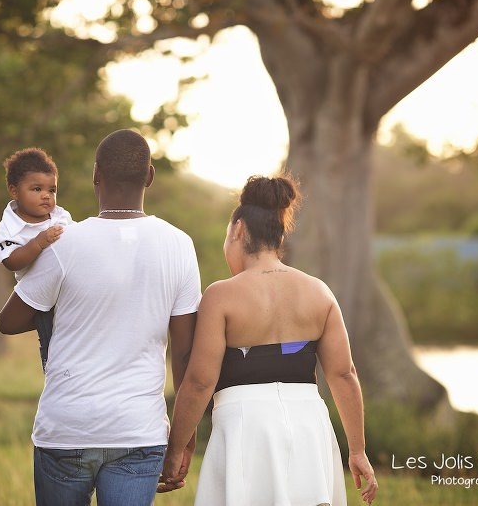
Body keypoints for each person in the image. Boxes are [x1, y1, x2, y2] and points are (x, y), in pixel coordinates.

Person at [0, 129, 201, 506]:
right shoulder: (179, 245)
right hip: (138, 432)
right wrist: (184, 439)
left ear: (95, 175)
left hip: (67, 429)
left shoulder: (63, 241)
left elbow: (8, 322)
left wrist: (68, 304)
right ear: (150, 176)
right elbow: (185, 355)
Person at [161, 175, 379, 505]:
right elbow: (344, 373)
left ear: (238, 230)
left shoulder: (221, 296)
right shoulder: (319, 292)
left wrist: (176, 448)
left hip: (245, 427)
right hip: (309, 425)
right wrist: (358, 449)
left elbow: (200, 381)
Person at [0, 147, 74, 373]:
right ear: (14, 191)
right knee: (50, 337)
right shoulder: (10, 227)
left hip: (67, 287)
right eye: (37, 189)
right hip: (40, 295)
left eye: (52, 190)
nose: (47, 195)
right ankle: (55, 371)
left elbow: (76, 241)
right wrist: (38, 243)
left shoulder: (59, 216)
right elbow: (11, 261)